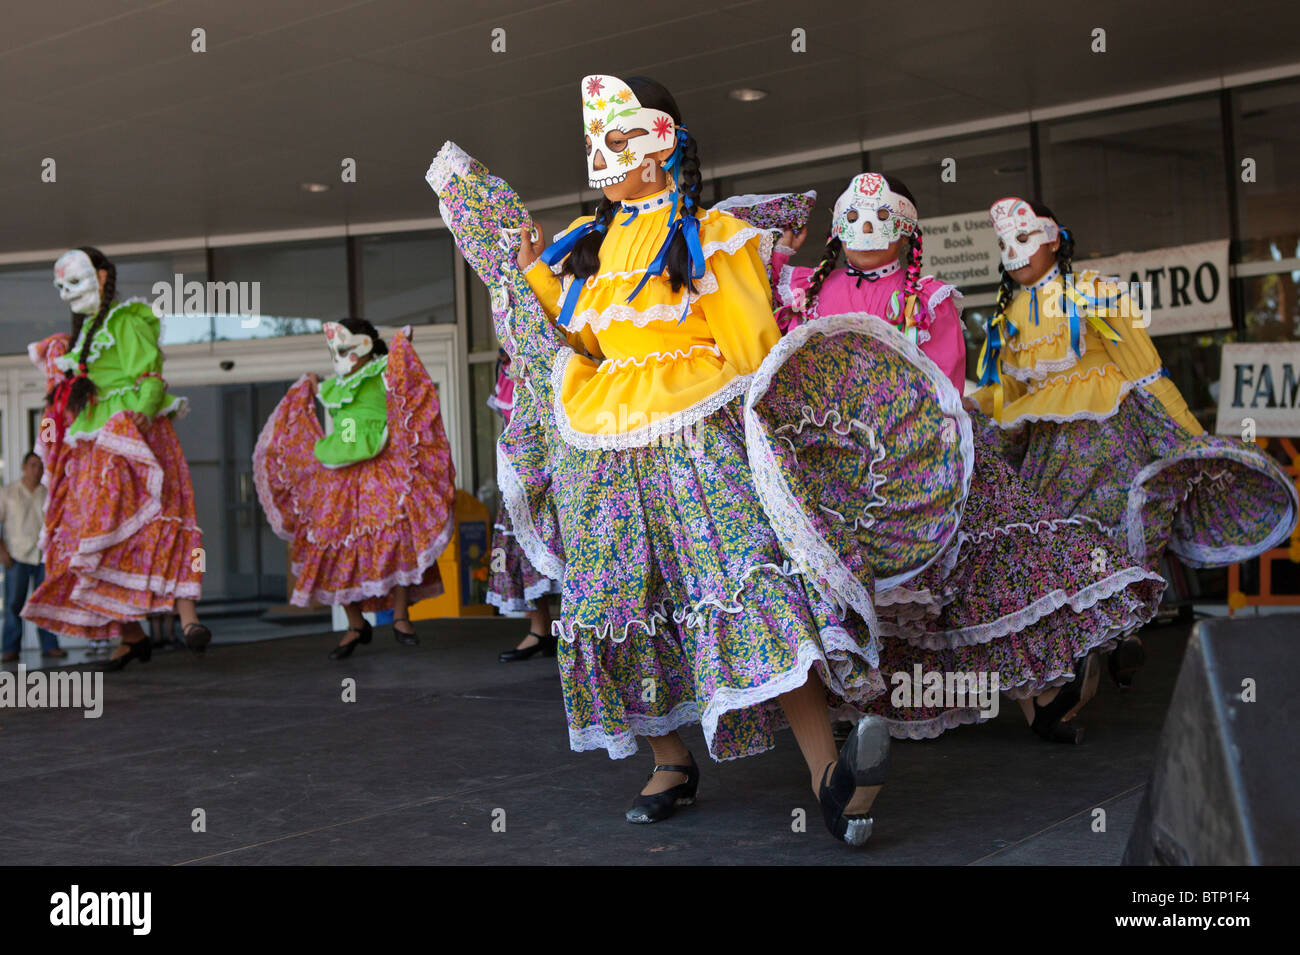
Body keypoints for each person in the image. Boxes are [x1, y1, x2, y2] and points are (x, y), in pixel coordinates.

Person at [427, 75, 979, 847]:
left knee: (747, 583)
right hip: (604, 450)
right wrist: (538, 276)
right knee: (614, 597)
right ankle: (669, 759)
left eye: (618, 137)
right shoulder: (591, 244)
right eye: (592, 142)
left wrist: (780, 441)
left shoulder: (713, 232)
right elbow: (590, 340)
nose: (602, 155)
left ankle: (829, 774)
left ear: (663, 141)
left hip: (697, 440)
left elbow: (754, 351)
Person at [768, 175, 1165, 742]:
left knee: (980, 579)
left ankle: (1045, 697)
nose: (865, 230)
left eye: (881, 218)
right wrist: (782, 242)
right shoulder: (801, 288)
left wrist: (917, 458)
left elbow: (943, 387)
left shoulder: (927, 298)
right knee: (874, 603)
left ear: (907, 230)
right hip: (835, 473)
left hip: (929, 465)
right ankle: (881, 711)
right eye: (853, 216)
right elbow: (743, 297)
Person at [970, 198, 1298, 687]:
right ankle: (1089, 648)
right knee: (1057, 543)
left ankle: (1120, 634)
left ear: (1054, 239)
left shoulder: (1096, 293)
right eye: (1002, 244)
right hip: (1049, 456)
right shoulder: (1007, 316)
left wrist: (1190, 435)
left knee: (1114, 535)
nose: (1012, 252)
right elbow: (1007, 395)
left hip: (1110, 444)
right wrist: (968, 406)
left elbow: (1145, 368)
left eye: (1023, 238)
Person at [23, 248, 209, 671]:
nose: (67, 293)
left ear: (103, 277)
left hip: (131, 432)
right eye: (61, 287)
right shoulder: (83, 336)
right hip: (93, 443)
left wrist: (142, 413)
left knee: (159, 522)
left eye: (76, 281)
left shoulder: (126, 321)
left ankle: (188, 618)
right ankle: (131, 636)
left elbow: (150, 374)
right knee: (89, 536)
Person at [253, 320, 456, 660]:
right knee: (333, 543)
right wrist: (309, 386)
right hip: (340, 469)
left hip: (381, 461)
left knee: (395, 538)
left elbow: (407, 388)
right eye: (336, 350)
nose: (342, 356)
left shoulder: (383, 371)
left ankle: (402, 616)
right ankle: (355, 622)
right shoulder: (335, 385)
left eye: (347, 348)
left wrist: (403, 348)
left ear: (365, 344)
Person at [486, 350, 560, 662]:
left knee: (567, 546)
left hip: (555, 468)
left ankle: (579, 632)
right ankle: (539, 629)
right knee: (521, 551)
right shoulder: (504, 370)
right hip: (520, 474)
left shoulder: (546, 355)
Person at [0, 452, 63, 661]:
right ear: (23, 466)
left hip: (43, 556)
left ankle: (49, 645)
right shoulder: (7, 492)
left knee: (45, 603)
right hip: (16, 556)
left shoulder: (47, 494)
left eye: (40, 466)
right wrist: (2, 552)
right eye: (32, 465)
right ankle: (10, 648)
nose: (36, 470)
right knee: (13, 604)